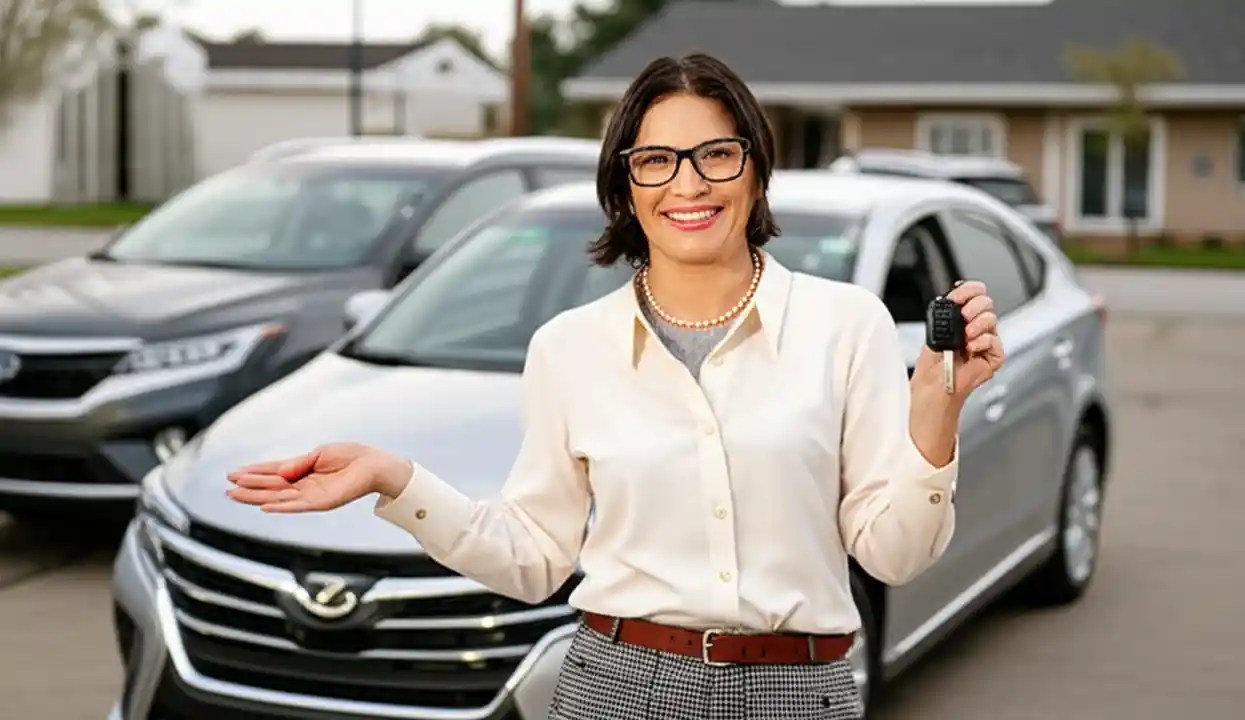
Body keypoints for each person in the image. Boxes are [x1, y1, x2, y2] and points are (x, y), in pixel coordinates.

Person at [226, 52, 1004, 720]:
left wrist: (936, 417)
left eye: (716, 155)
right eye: (656, 161)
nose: (688, 185)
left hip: (800, 689)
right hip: (619, 685)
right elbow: (533, 557)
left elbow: (893, 554)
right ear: (626, 185)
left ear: (756, 167)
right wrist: (395, 481)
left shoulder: (846, 324)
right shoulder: (570, 349)